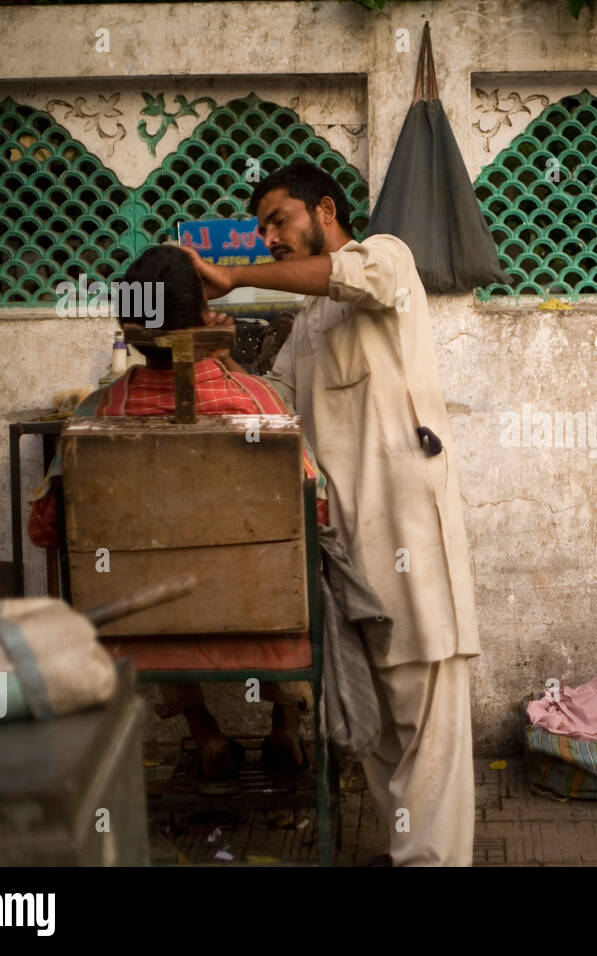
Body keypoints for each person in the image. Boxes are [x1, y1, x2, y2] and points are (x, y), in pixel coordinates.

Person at [180, 159, 481, 866]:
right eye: (260, 231)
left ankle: (436, 861)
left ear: (325, 209)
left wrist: (238, 277)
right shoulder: (311, 323)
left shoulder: (387, 261)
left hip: (412, 539)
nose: (270, 239)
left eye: (278, 221)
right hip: (349, 553)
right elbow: (271, 402)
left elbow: (349, 277)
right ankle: (413, 851)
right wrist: (195, 355)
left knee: (427, 712)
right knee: (374, 718)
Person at [28, 244, 327, 779]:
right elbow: (317, 512)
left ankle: (206, 734)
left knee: (139, 586)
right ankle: (285, 725)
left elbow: (44, 528)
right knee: (285, 568)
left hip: (143, 635)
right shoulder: (262, 405)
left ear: (130, 322)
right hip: (266, 625)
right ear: (205, 317)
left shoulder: (95, 416)